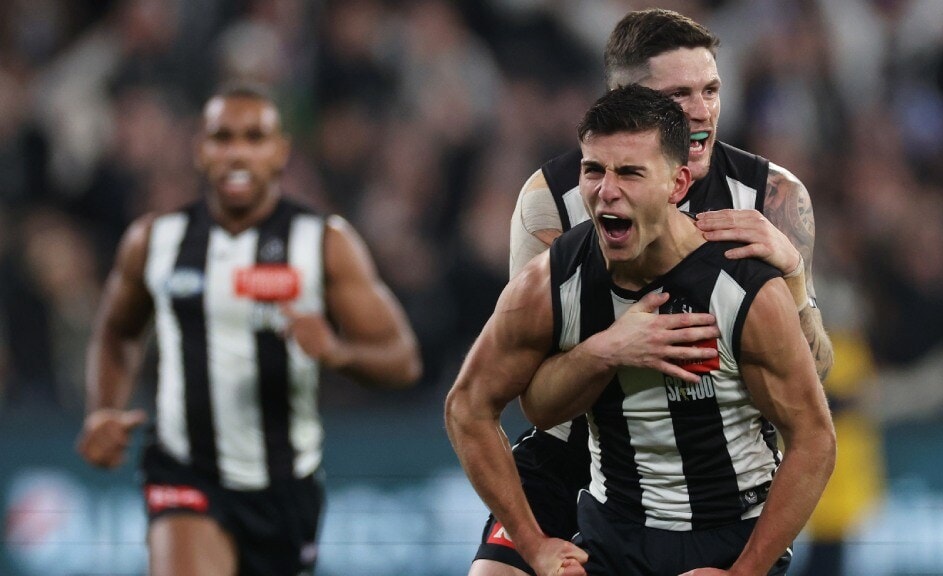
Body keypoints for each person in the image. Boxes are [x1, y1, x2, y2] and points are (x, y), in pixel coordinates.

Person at [464, 9, 834, 576]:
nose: (701, 111)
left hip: (717, 470)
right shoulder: (552, 201)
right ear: (628, 102)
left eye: (711, 90)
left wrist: (795, 282)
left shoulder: (773, 197)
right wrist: (612, 346)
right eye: (679, 94)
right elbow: (528, 391)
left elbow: (813, 384)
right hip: (577, 452)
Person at [75, 84, 422, 576]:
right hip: (184, 469)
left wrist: (338, 353)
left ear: (280, 151)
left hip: (285, 488)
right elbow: (117, 332)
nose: (237, 152)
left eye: (254, 138)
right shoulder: (154, 241)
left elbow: (402, 360)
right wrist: (103, 410)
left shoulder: (324, 243)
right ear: (200, 150)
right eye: (222, 137)